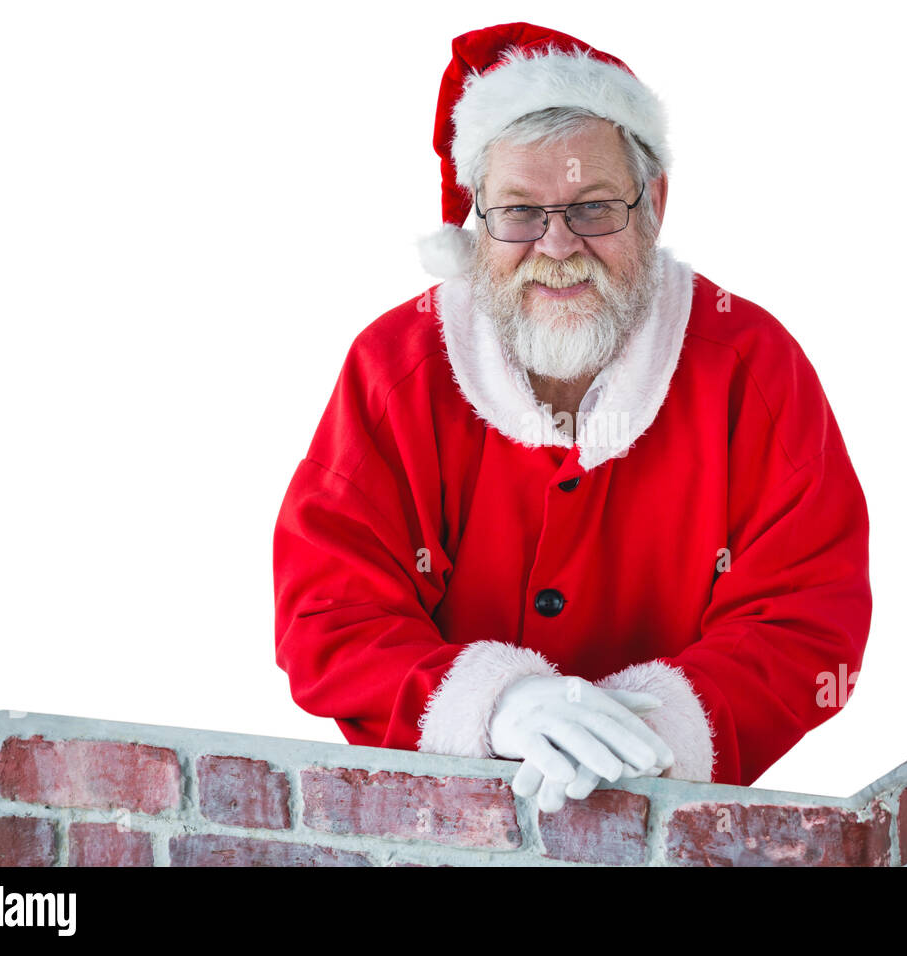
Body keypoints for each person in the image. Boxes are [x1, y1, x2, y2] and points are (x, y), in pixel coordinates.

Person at [273, 22, 872, 813]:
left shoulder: (754, 366)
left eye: (592, 207)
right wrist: (495, 706)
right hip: (441, 829)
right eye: (520, 212)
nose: (557, 247)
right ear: (475, 218)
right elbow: (330, 611)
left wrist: (654, 730)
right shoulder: (394, 368)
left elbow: (807, 615)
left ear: (652, 204)